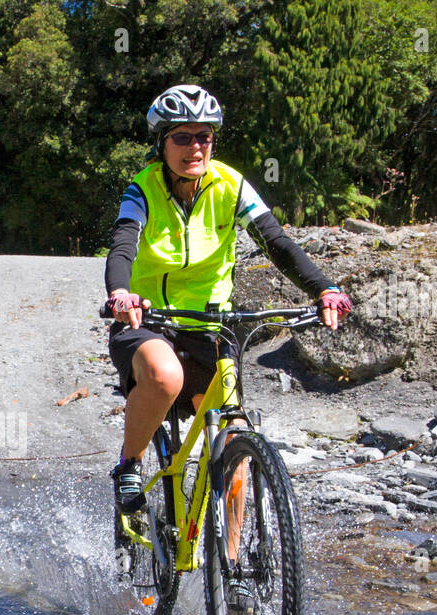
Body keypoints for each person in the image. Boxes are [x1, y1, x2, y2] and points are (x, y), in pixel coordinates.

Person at [106, 83, 351, 519]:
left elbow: (276, 242)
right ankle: (128, 464)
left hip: (211, 328)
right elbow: (124, 243)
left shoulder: (231, 185)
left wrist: (324, 289)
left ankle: (235, 576)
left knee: (237, 449)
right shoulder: (141, 189)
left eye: (204, 136)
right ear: (161, 141)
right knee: (164, 377)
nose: (195, 147)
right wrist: (122, 294)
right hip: (148, 322)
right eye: (182, 136)